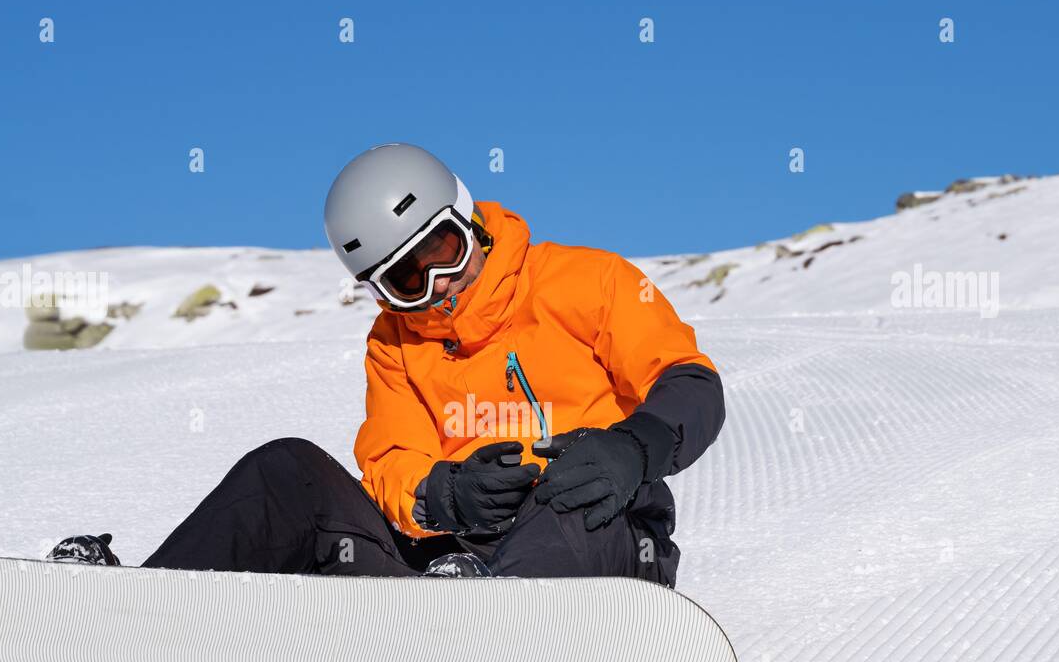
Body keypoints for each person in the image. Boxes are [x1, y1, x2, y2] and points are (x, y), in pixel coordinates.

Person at [49, 143, 724, 584]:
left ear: (470, 221)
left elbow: (690, 382)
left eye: (443, 253)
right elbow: (390, 459)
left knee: (566, 491)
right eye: (407, 281)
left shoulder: (589, 281)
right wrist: (442, 493)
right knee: (284, 469)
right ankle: (144, 610)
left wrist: (631, 451)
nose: (438, 286)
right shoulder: (393, 342)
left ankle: (496, 630)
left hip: (599, 545)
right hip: (441, 574)